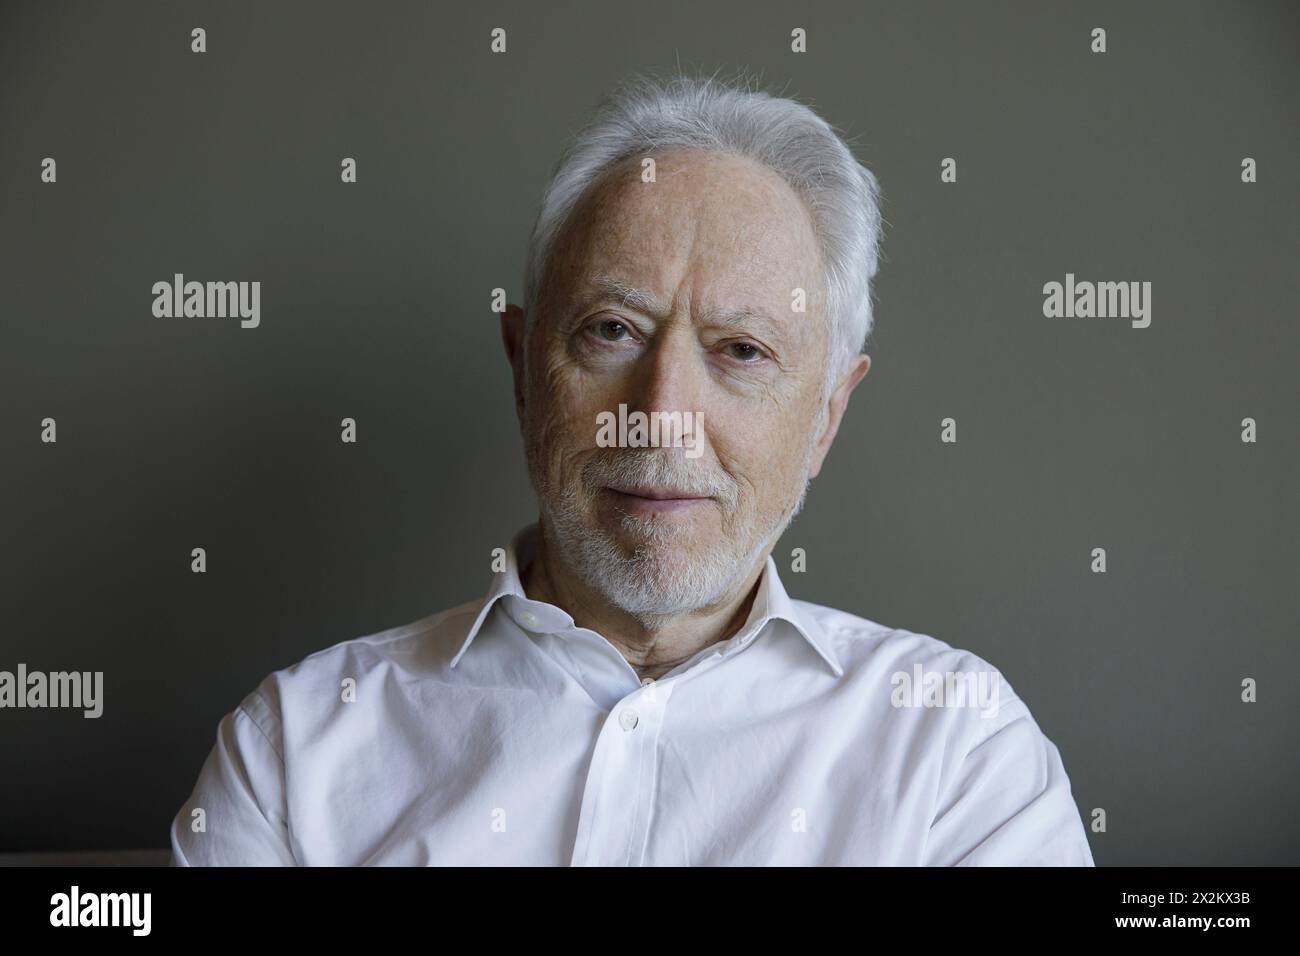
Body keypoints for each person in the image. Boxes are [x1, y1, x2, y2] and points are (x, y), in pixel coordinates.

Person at [170, 70, 1094, 866]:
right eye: (612, 331)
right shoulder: (294, 752)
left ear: (826, 417)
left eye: (741, 351)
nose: (661, 418)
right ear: (524, 370)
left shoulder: (958, 754)